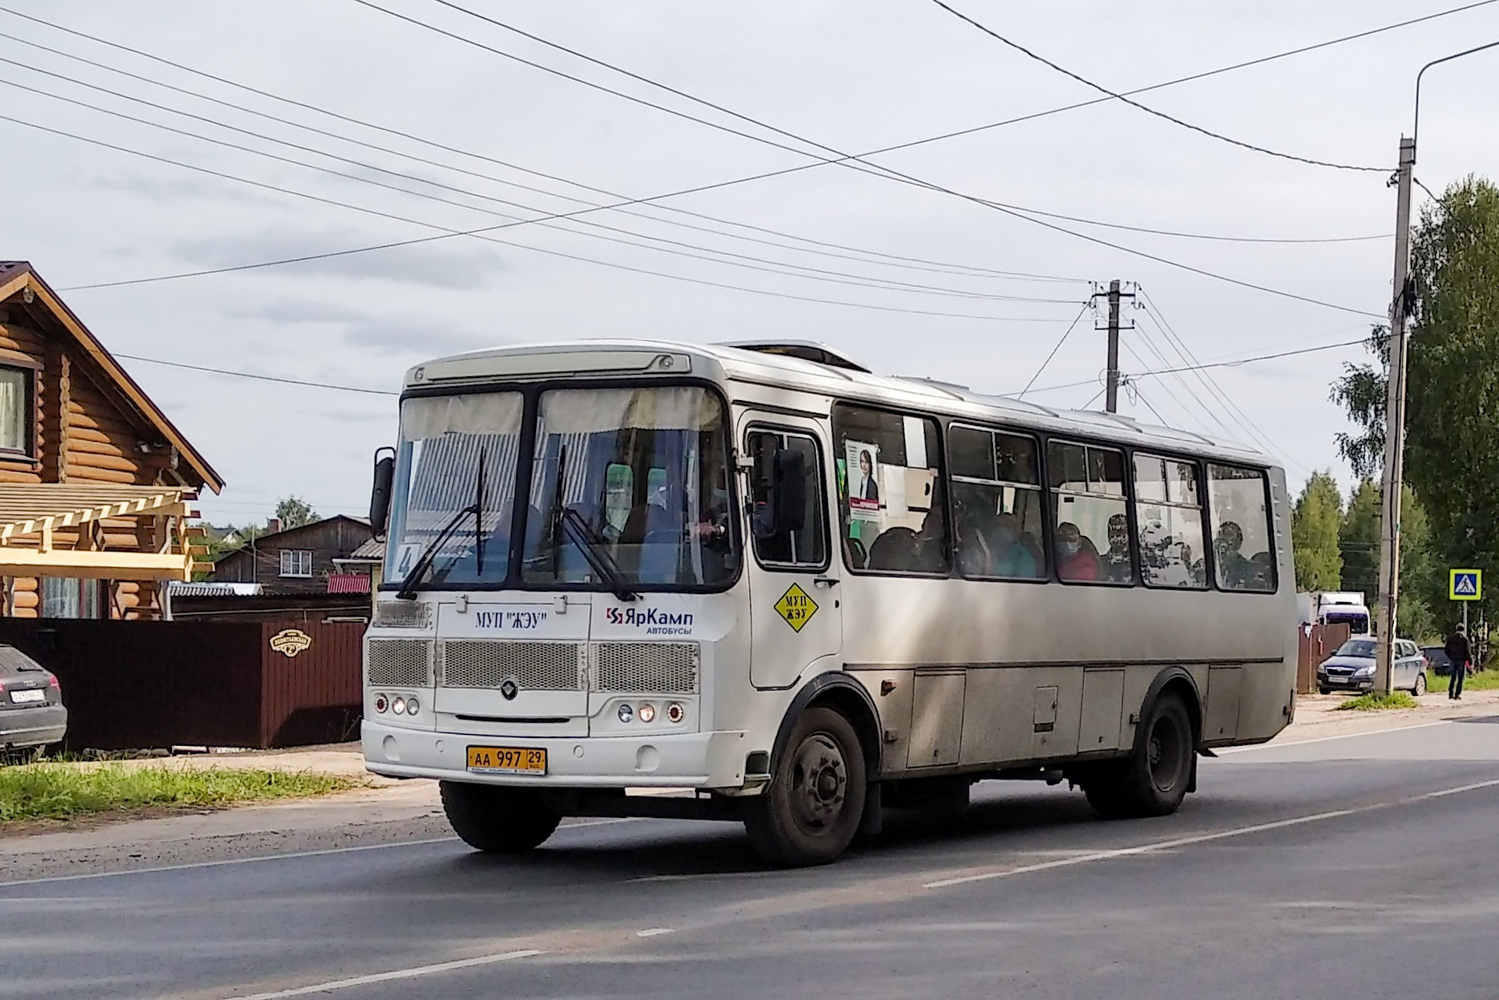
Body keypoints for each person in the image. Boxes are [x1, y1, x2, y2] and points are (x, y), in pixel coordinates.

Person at [990, 512, 1037, 578]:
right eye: (998, 525)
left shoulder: (1023, 557)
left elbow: (1025, 585)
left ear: (1016, 531)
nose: (1001, 529)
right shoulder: (986, 550)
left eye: (1007, 526)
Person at [1445, 622, 1472, 700]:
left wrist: (1450, 656)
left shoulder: (1450, 638)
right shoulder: (1465, 639)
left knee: (1453, 677)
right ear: (1463, 630)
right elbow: (1468, 651)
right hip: (1461, 661)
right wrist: (1469, 661)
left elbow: (1446, 649)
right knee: (1460, 678)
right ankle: (1457, 694)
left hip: (1453, 660)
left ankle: (1450, 693)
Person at [1102, 513, 1132, 582]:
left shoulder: (1139, 562)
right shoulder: (1101, 562)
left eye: (1121, 531)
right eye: (1113, 531)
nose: (1117, 537)